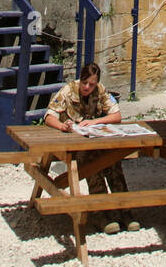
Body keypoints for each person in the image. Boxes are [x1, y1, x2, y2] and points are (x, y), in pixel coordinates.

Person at [44, 61, 140, 234]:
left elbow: (116, 115)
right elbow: (49, 116)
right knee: (92, 166)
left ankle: (125, 209)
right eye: (85, 83)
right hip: (76, 145)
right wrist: (62, 126)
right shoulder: (68, 90)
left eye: (92, 84)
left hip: (95, 139)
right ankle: (100, 213)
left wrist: (96, 121)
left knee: (113, 162)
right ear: (80, 79)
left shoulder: (100, 90)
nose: (87, 87)